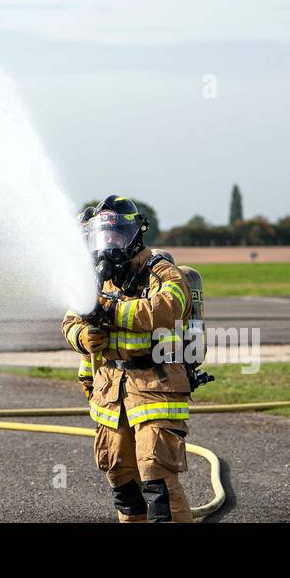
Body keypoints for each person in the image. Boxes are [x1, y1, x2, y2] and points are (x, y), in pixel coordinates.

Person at [62, 195, 194, 522]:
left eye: (117, 236)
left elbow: (164, 309)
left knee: (156, 475)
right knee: (121, 477)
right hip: (110, 393)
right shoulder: (97, 277)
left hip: (155, 388)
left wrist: (109, 310)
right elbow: (70, 320)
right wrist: (83, 337)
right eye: (104, 237)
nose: (110, 244)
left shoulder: (162, 273)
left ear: (135, 234)